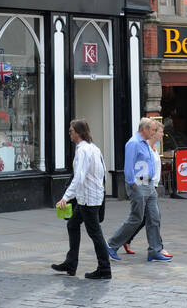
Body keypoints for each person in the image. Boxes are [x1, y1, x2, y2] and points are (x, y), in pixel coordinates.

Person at [52, 119, 110, 280]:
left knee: (95, 233)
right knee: (72, 224)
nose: (69, 134)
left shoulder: (83, 151)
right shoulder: (94, 148)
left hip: (88, 199)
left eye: (71, 131)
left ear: (78, 132)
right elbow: (102, 172)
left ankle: (104, 268)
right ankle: (71, 263)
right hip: (90, 196)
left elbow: (79, 177)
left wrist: (65, 198)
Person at [108, 118, 172, 262]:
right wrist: (132, 185)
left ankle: (155, 250)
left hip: (148, 185)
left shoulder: (145, 143)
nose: (154, 133)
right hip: (138, 184)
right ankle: (111, 245)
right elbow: (128, 166)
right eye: (153, 130)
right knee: (136, 218)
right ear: (144, 129)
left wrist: (151, 185)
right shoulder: (134, 143)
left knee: (154, 217)